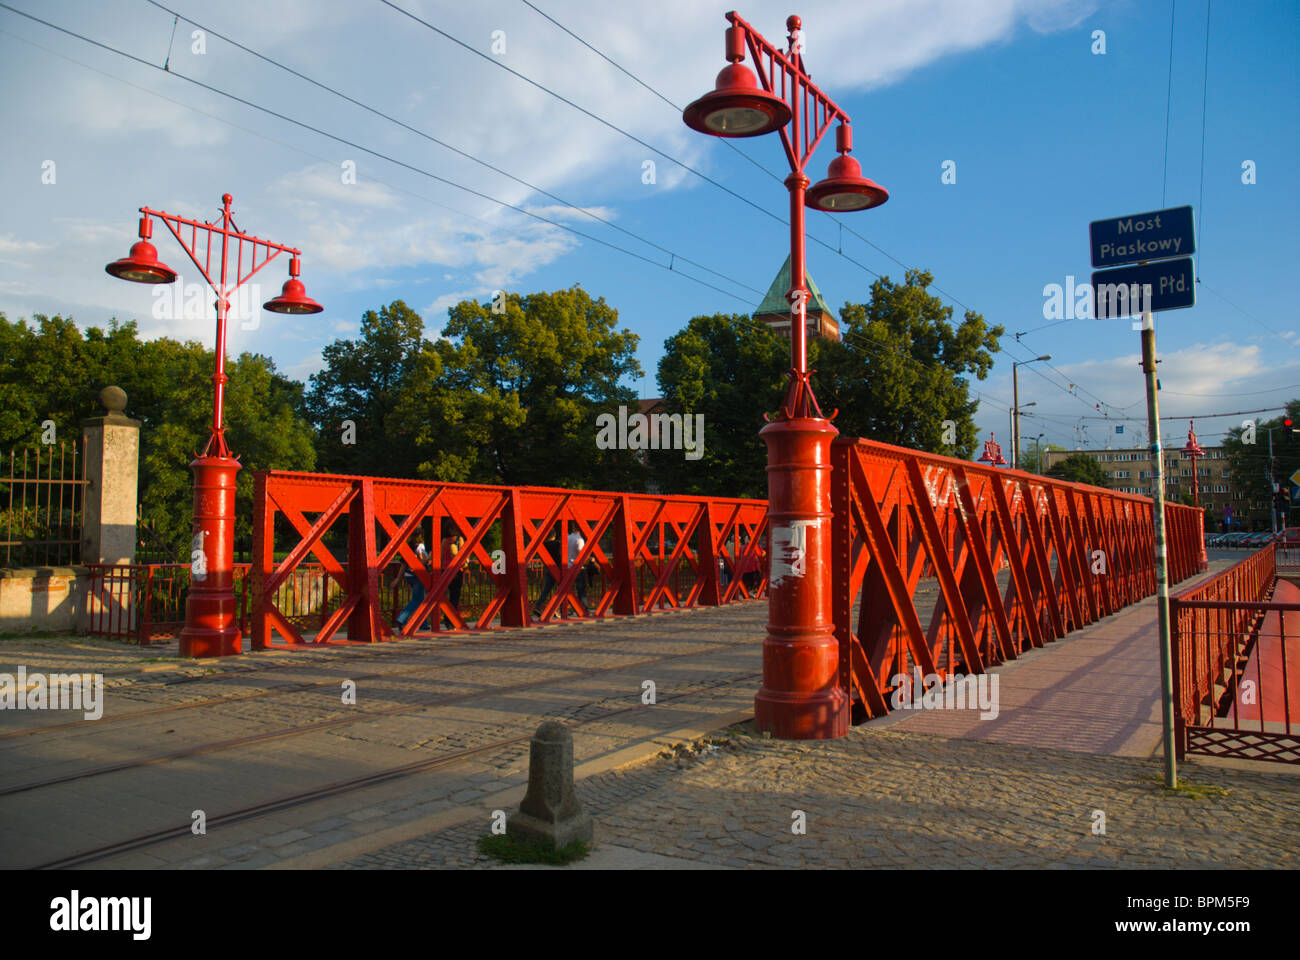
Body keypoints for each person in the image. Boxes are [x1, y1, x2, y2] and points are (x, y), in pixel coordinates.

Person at [395, 533, 431, 630]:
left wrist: (398, 578)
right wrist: (430, 556)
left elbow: (403, 564)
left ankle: (423, 624)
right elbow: (423, 560)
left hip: (408, 575)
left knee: (419, 600)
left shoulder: (408, 547)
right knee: (417, 600)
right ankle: (402, 619)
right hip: (418, 575)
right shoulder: (420, 546)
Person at [441, 530, 466, 629]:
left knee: (447, 596)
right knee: (455, 597)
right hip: (456, 570)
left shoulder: (444, 540)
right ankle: (451, 620)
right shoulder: (459, 539)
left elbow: (441, 556)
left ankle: (448, 619)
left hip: (445, 569)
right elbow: (463, 553)